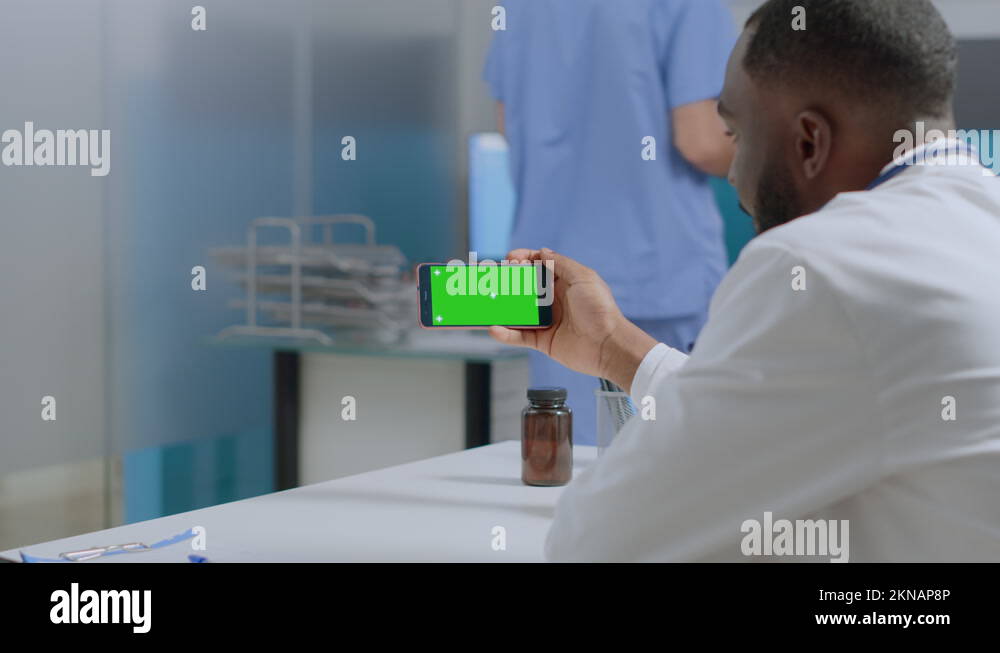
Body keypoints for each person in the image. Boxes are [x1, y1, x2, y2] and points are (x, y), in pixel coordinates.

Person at [489, 0, 1000, 562]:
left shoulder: (820, 264)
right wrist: (613, 348)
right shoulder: (976, 221)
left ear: (809, 141)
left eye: (735, 131)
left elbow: (595, 543)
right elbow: (798, 408)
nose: (732, 169)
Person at [483, 0, 737, 444]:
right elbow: (701, 140)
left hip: (548, 279)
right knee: (671, 469)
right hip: (658, 273)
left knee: (566, 471)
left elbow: (509, 124)